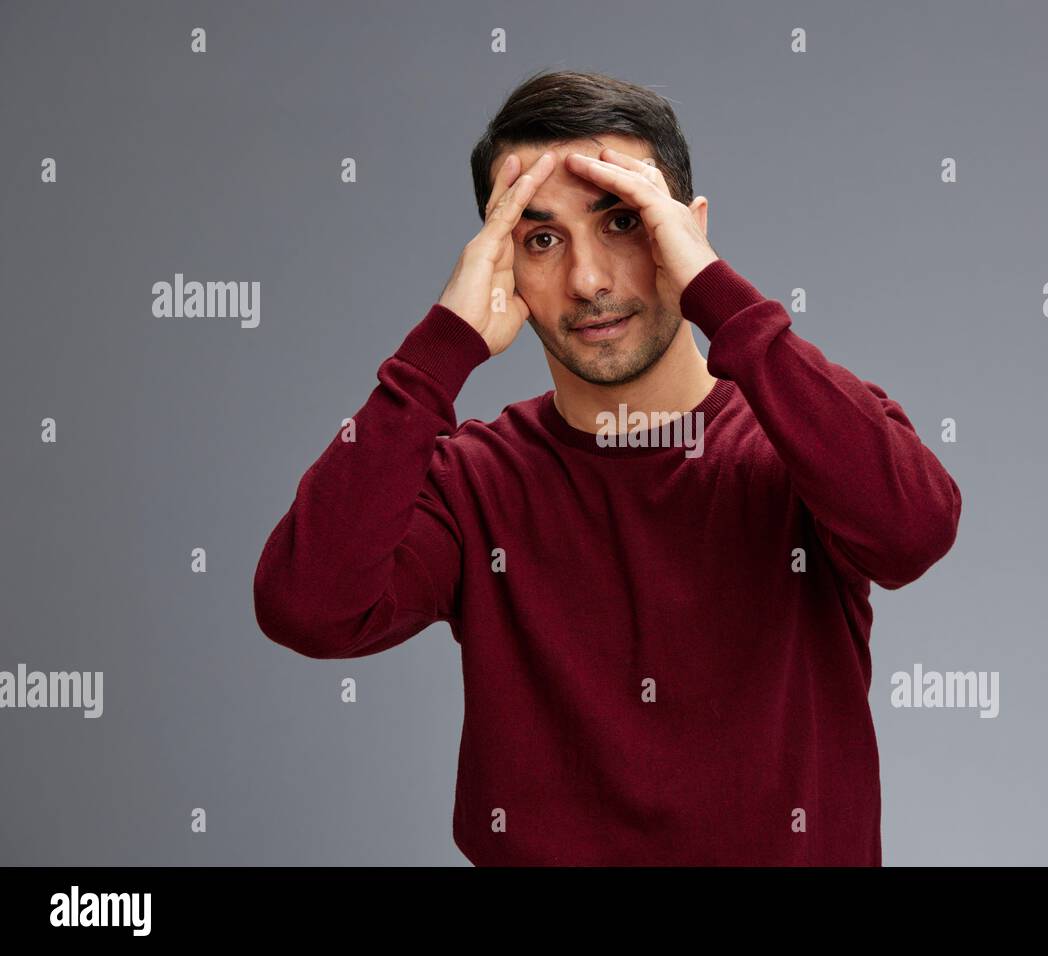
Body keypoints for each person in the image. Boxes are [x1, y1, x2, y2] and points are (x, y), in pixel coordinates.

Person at [253, 69, 962, 866]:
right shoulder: (476, 484)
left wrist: (722, 298)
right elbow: (306, 607)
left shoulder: (797, 439)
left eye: (622, 221)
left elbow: (917, 531)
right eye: (541, 239)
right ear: (503, 269)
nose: (588, 280)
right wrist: (437, 354)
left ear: (686, 233)